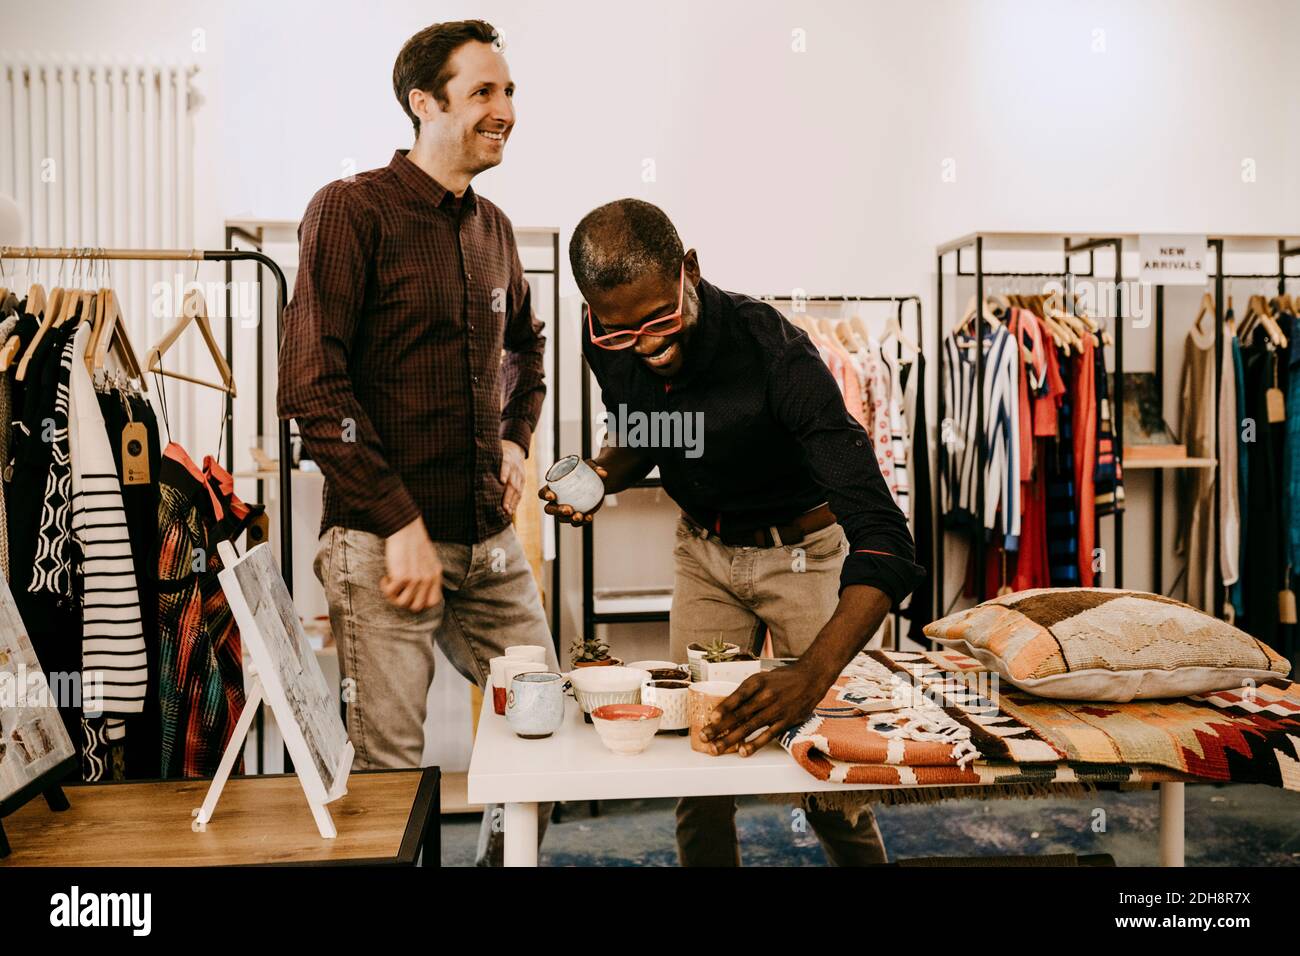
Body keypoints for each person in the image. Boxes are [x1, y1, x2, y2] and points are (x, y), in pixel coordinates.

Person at [548, 198, 922, 866]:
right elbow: (649, 431)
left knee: (830, 769)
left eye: (661, 319)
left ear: (690, 269)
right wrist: (605, 475)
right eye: (620, 332)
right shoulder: (604, 332)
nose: (648, 346)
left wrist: (809, 678)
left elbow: (888, 544)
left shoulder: (779, 357)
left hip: (804, 556)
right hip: (703, 554)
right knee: (700, 761)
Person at [279, 19, 555, 866]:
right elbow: (312, 390)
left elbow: (524, 354)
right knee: (392, 777)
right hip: (380, 545)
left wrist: (512, 440)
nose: (505, 109)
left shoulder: (496, 229)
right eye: (483, 92)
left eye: (508, 91)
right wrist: (399, 523)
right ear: (423, 102)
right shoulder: (350, 210)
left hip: (487, 543)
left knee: (543, 720)